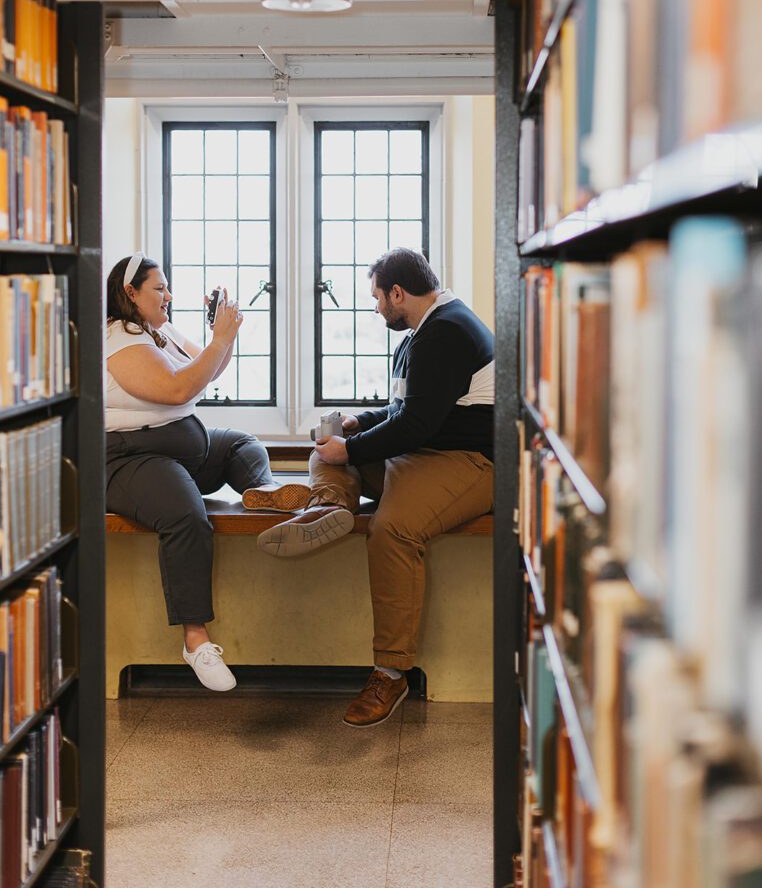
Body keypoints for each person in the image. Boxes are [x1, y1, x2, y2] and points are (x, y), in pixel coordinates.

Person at [256, 248, 494, 727]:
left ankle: (391, 671)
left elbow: (417, 425)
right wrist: (356, 424)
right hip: (425, 452)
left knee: (392, 530)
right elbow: (407, 411)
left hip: (470, 462)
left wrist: (354, 449)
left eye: (376, 298)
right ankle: (326, 508)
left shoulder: (446, 332)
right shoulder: (422, 330)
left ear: (398, 293)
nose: (375, 307)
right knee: (326, 449)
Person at [105, 253, 304, 691]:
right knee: (185, 514)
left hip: (181, 448)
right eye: (159, 288)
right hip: (131, 459)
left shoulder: (159, 329)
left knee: (241, 443)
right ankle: (195, 639)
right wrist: (218, 340)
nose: (169, 295)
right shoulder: (119, 338)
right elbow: (177, 389)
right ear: (130, 293)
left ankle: (266, 494)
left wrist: (223, 336)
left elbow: (208, 370)